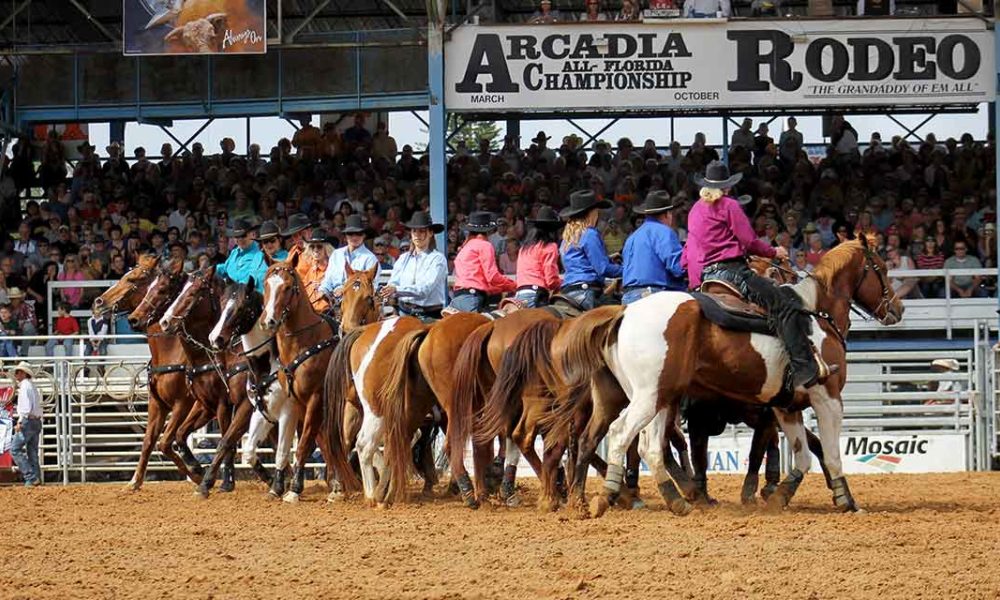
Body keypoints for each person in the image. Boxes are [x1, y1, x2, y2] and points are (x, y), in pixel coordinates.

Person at [682, 161, 836, 390]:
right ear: (727, 186)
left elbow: (692, 248)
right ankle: (804, 368)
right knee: (784, 305)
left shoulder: (696, 209)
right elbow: (749, 241)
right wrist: (774, 252)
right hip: (730, 272)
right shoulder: (729, 205)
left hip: (705, 276)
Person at [559, 190, 622, 310]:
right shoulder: (590, 233)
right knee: (622, 310)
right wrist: (627, 270)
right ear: (592, 213)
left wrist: (607, 258)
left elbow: (580, 261)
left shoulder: (567, 238)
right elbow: (603, 268)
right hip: (587, 292)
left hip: (567, 292)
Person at [621, 191, 687, 306]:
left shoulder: (632, 237)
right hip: (654, 295)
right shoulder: (664, 232)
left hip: (628, 297)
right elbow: (678, 268)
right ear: (667, 214)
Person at [380, 212, 448, 320]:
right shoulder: (403, 258)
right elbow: (394, 281)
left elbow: (425, 289)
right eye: (414, 231)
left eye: (422, 231)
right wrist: (389, 290)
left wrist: (396, 289)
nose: (417, 235)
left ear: (430, 233)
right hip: (403, 312)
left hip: (429, 315)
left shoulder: (438, 259)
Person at [450, 212, 517, 312]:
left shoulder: (465, 247)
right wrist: (513, 285)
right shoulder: (485, 245)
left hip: (457, 299)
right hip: (472, 298)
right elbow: (492, 277)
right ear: (488, 231)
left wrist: (501, 288)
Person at [319, 214, 380, 301]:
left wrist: (345, 290)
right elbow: (328, 278)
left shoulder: (370, 258)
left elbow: (371, 286)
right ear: (345, 236)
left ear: (364, 236)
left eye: (358, 234)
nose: (354, 237)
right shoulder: (336, 254)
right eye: (350, 234)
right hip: (333, 299)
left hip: (356, 301)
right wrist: (323, 290)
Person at [514, 206, 562, 308]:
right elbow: (551, 280)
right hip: (536, 294)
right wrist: (562, 283)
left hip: (519, 294)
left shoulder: (524, 248)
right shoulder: (550, 246)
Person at [10, 362, 43, 486]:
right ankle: (36, 477)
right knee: (32, 451)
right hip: (36, 420)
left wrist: (20, 421)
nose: (16, 374)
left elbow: (25, 408)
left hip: (28, 421)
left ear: (23, 373)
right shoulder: (32, 386)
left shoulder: (24, 386)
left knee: (15, 449)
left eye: (17, 372)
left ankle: (31, 477)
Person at [215, 219, 267, 293]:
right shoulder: (235, 251)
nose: (240, 239)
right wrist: (211, 269)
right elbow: (225, 267)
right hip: (231, 292)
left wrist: (229, 281)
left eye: (243, 236)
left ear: (252, 234)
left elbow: (250, 278)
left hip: (248, 294)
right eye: (236, 237)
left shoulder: (259, 254)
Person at [300, 229, 336, 314]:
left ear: (327, 248)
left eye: (319, 247)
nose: (315, 250)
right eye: (312, 247)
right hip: (308, 312)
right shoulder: (311, 269)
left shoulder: (333, 268)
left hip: (327, 313)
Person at [7, 288, 38, 356]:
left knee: (28, 327)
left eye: (15, 298)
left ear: (19, 299)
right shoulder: (7, 308)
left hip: (25, 334)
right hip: (11, 333)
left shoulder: (27, 307)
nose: (13, 300)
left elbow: (33, 322)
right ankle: (11, 356)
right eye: (11, 299)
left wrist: (18, 326)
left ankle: (23, 354)